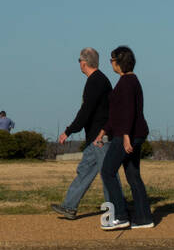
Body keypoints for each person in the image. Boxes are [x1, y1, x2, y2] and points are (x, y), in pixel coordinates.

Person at [94, 45, 154, 231]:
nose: (110, 63)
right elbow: (116, 115)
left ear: (120, 62)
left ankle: (120, 216)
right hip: (132, 134)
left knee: (108, 171)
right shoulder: (128, 81)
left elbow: (128, 112)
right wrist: (103, 132)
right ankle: (144, 218)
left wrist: (126, 136)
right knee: (133, 175)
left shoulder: (127, 83)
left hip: (128, 135)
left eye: (112, 60)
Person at [51, 48, 111, 221]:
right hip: (95, 138)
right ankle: (69, 207)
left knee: (108, 175)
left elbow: (86, 111)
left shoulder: (96, 81)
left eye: (79, 60)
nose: (78, 63)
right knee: (85, 170)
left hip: (101, 138)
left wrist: (68, 131)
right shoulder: (98, 80)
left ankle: (117, 211)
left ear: (84, 63)